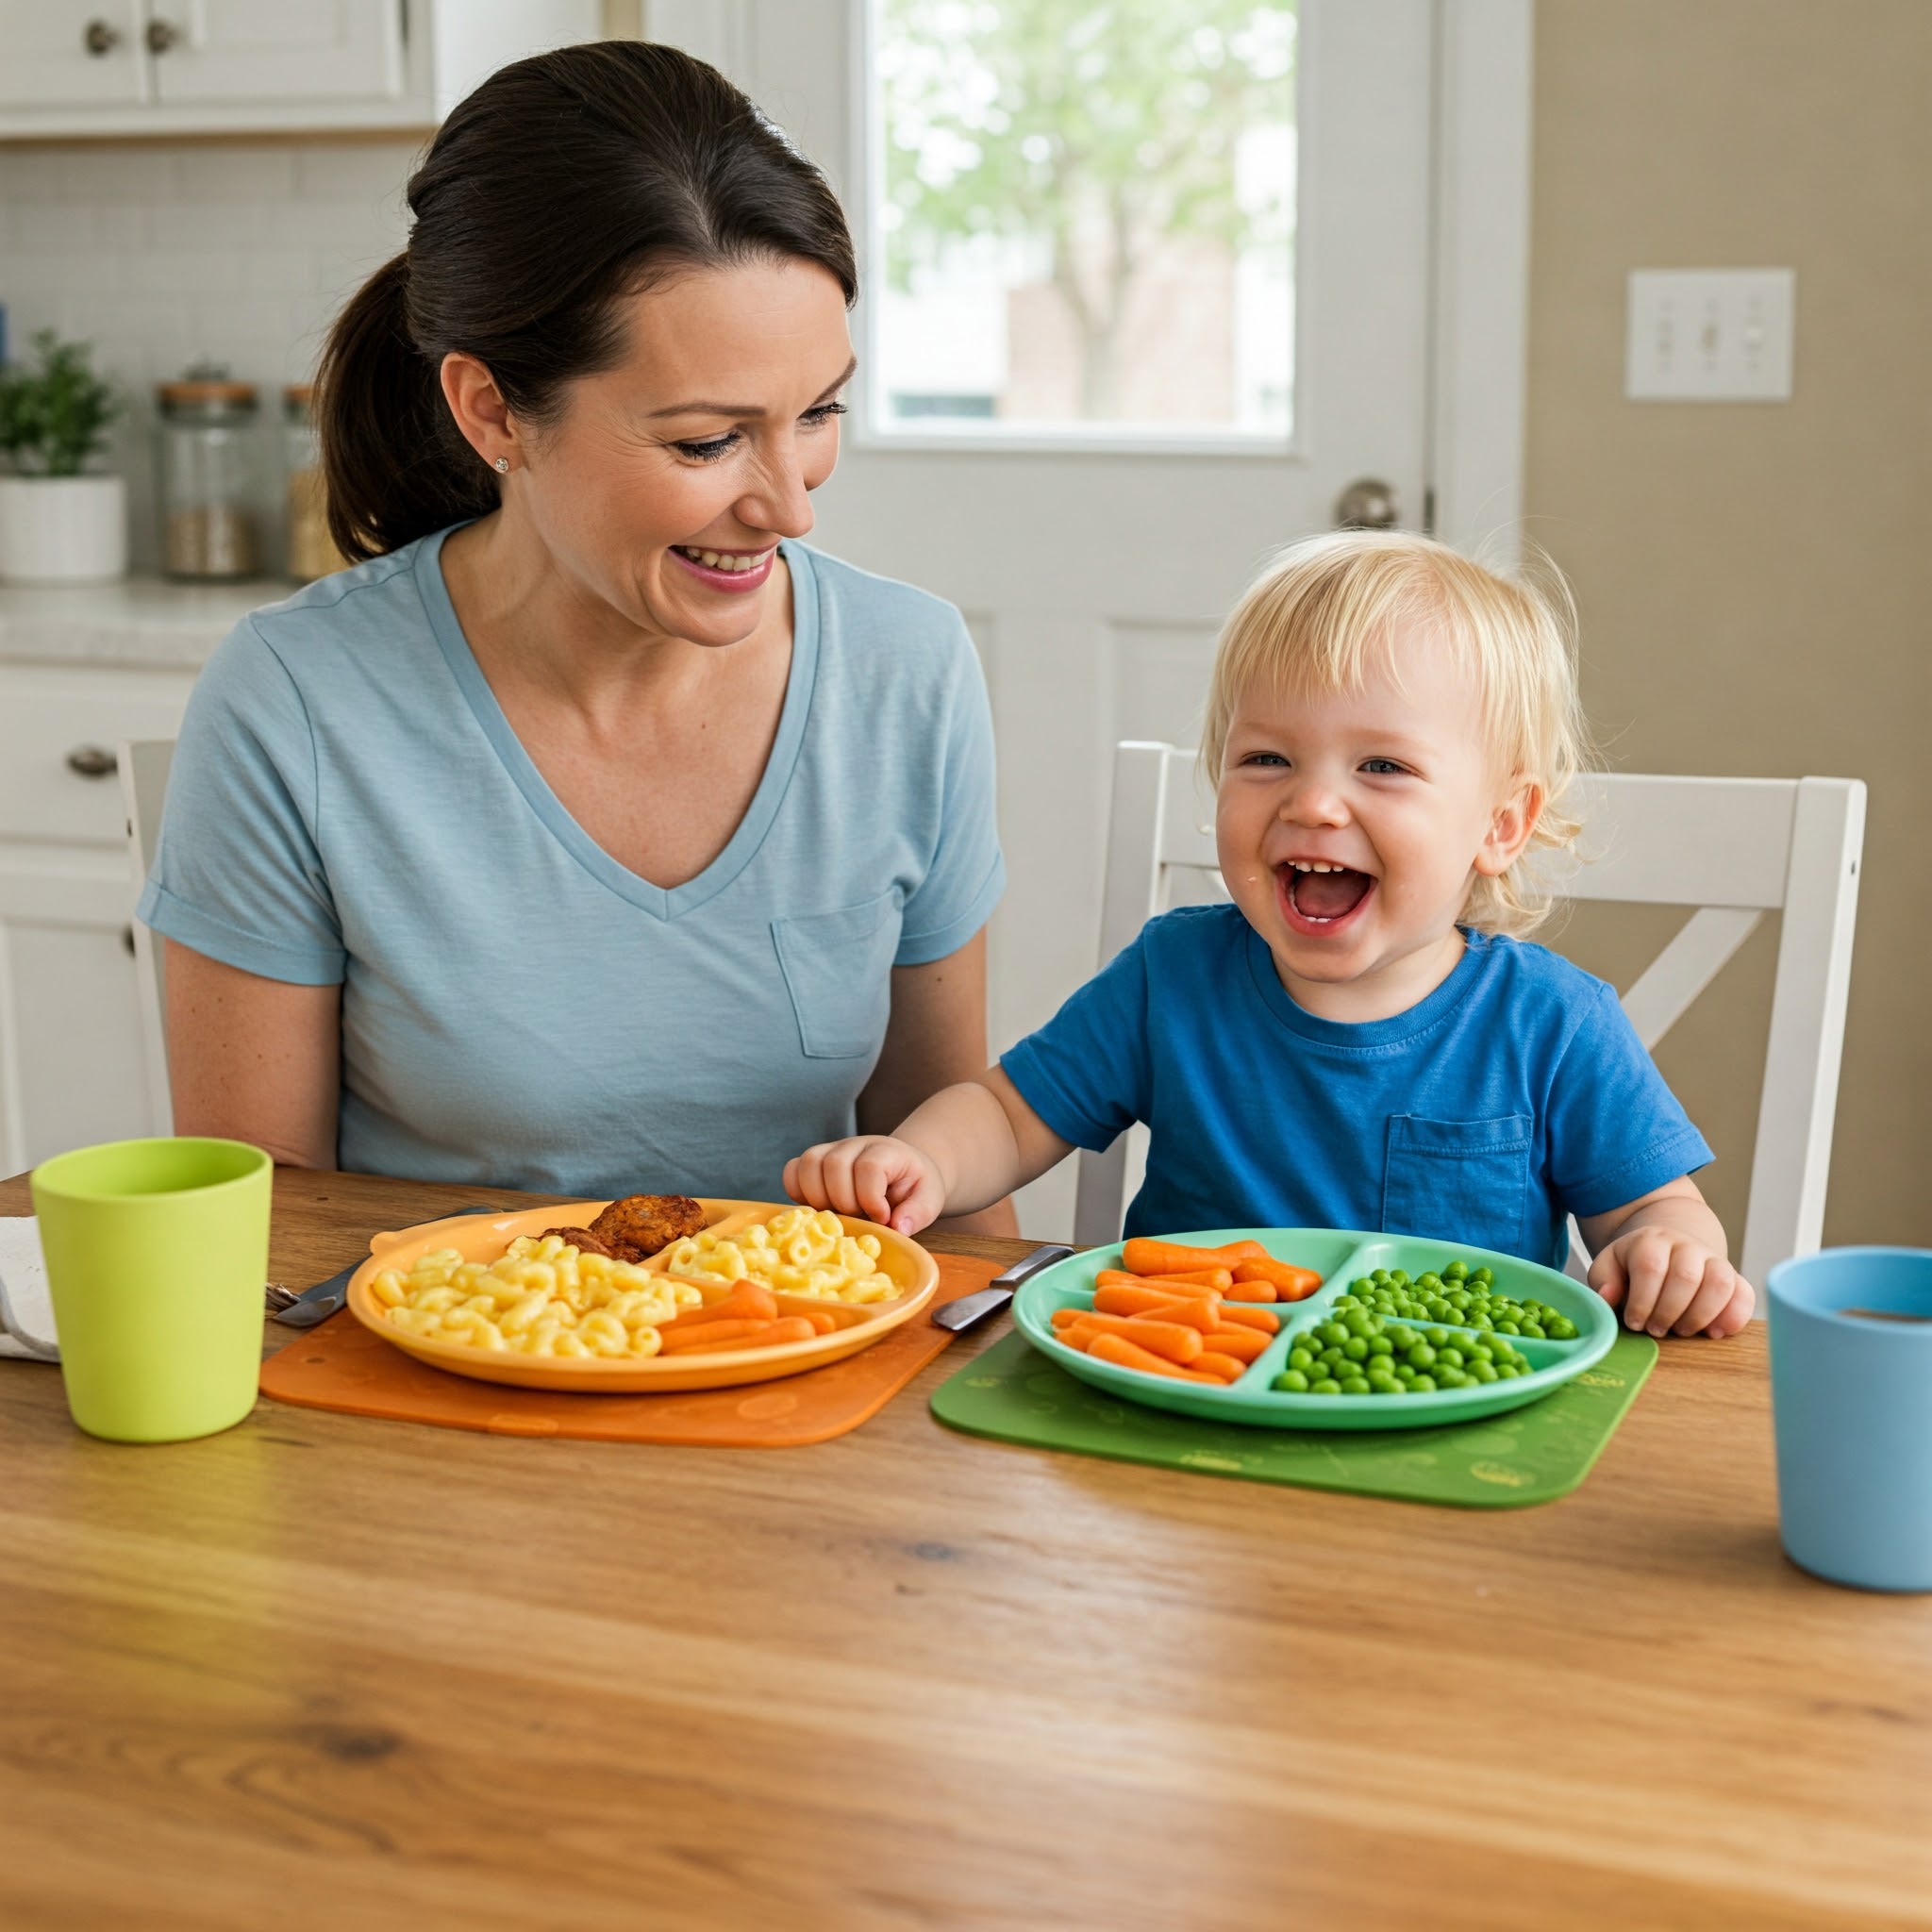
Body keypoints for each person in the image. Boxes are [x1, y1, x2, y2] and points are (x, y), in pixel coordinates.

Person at [139, 42, 1010, 1225]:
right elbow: (267, 1233)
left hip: (796, 1383)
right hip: (429, 1387)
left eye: (817, 413)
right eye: (707, 441)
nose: (790, 506)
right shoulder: (298, 699)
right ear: (493, 409)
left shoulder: (906, 669)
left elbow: (949, 1194)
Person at [786, 530, 1755, 1338]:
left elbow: (1651, 1208)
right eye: (1264, 757)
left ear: (1499, 824)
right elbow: (1007, 1115)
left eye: (1381, 765)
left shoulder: (1554, 1022)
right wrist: (916, 1159)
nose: (1314, 800)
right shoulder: (1172, 977)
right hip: (1182, 1387)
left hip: (1446, 1413)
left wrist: (1669, 1250)